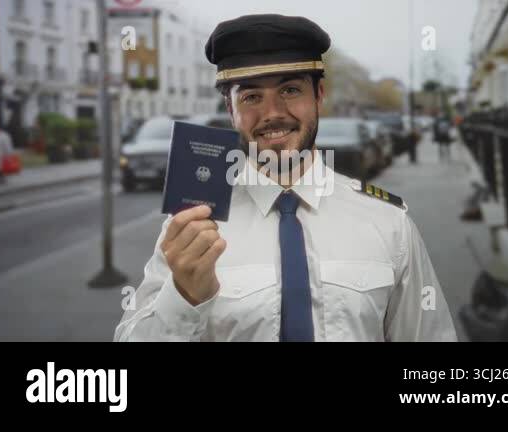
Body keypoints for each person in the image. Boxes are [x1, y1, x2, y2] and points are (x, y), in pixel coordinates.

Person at [114, 14, 457, 342]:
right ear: (230, 110)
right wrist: (184, 296)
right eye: (251, 97)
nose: (273, 113)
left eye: (290, 90)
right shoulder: (191, 230)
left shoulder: (388, 223)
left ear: (319, 95)